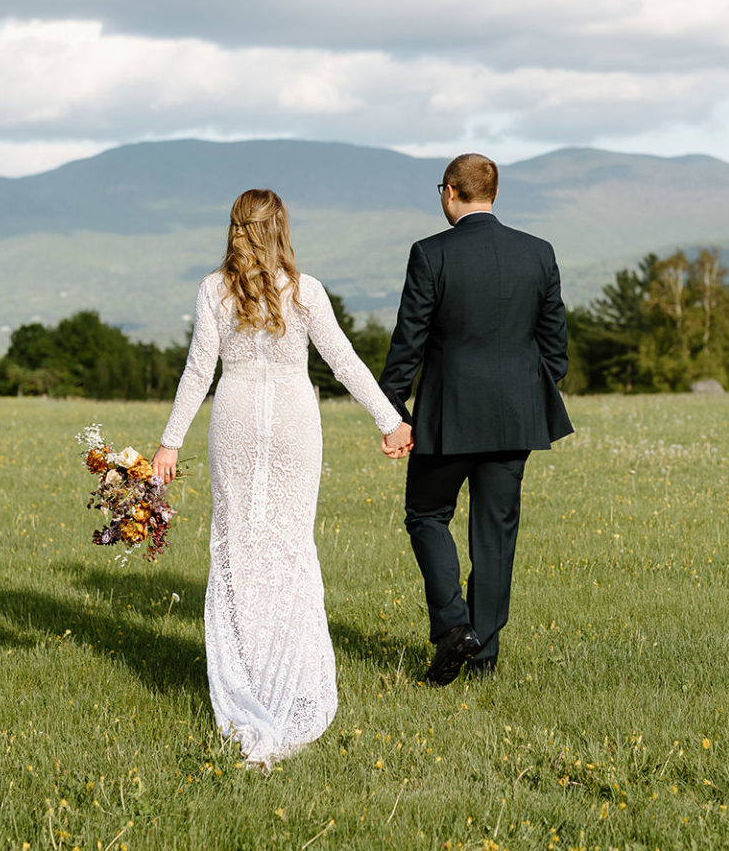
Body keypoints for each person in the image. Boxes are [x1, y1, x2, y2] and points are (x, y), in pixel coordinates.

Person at [152, 188, 410, 768]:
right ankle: (287, 678)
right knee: (290, 543)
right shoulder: (306, 290)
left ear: (235, 227)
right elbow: (344, 361)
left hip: (237, 417)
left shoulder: (213, 289)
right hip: (294, 419)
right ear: (281, 227)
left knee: (239, 544)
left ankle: (249, 676)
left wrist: (170, 442)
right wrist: (390, 421)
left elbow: (198, 371)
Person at [377, 153, 573, 686]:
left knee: (426, 515)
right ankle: (482, 656)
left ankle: (454, 629)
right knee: (496, 533)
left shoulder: (430, 253)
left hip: (449, 419)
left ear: (449, 193)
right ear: (494, 192)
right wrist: (531, 393)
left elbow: (409, 340)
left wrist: (391, 409)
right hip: (517, 420)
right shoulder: (538, 252)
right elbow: (555, 345)